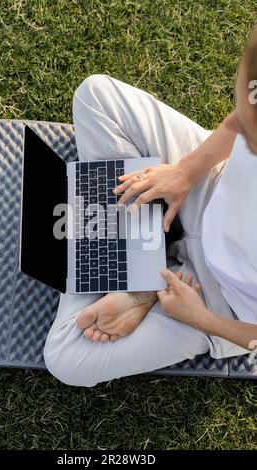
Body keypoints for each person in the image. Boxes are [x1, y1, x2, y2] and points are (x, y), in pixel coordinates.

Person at [43, 26, 257, 387]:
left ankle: (135, 276)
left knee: (68, 358)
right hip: (209, 187)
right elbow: (243, 117)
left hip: (217, 299)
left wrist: (201, 320)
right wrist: (186, 170)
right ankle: (132, 262)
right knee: (97, 96)